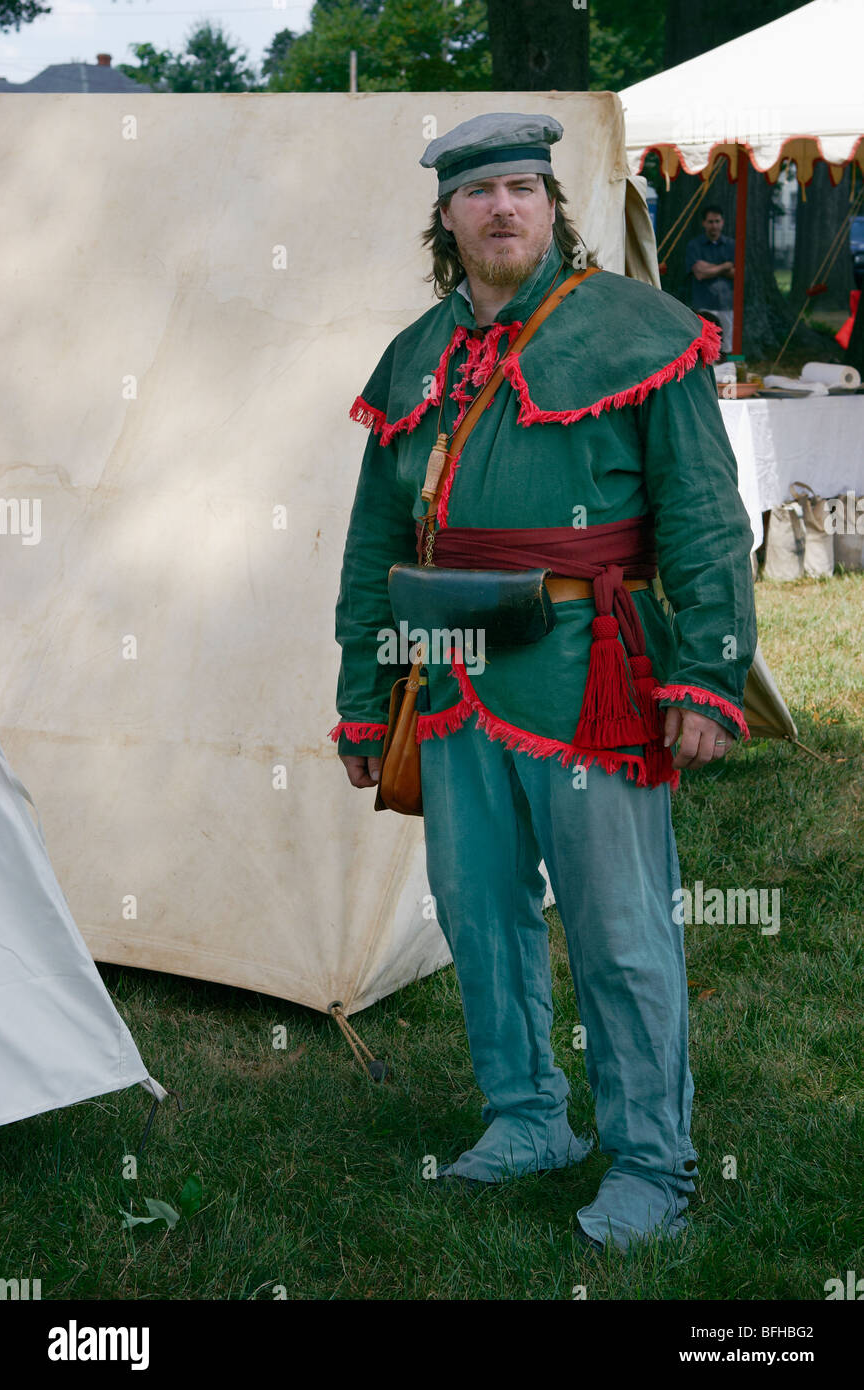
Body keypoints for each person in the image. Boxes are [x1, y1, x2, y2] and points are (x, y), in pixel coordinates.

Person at [329, 113, 756, 1253]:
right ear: (446, 216)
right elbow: (376, 545)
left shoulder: (637, 333)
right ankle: (526, 1118)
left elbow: (706, 516)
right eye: (479, 193)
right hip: (453, 677)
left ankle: (652, 1162)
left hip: (589, 673)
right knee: (477, 913)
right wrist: (367, 695)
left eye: (523, 186)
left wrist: (706, 674)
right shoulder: (415, 356)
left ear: (554, 206)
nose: (503, 207)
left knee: (618, 931)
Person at [685, 205, 736, 352]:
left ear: (723, 222)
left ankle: (729, 372)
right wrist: (725, 266)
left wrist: (708, 267)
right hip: (703, 302)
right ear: (704, 223)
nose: (714, 225)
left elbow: (736, 274)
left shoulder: (732, 245)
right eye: (710, 222)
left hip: (727, 303)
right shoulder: (694, 245)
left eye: (717, 221)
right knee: (704, 345)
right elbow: (699, 273)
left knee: (727, 346)